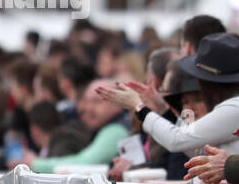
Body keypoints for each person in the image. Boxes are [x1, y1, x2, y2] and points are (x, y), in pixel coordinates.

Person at [98, 32, 239, 158]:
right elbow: (195, 149)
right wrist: (162, 109)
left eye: (200, 77)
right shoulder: (231, 107)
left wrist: (139, 107)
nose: (199, 83)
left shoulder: (234, 108)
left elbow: (177, 140)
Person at [30, 83, 128, 173]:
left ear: (118, 103)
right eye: (86, 101)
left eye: (97, 101)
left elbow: (84, 163)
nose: (88, 108)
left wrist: (34, 163)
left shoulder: (117, 130)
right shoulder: (102, 127)